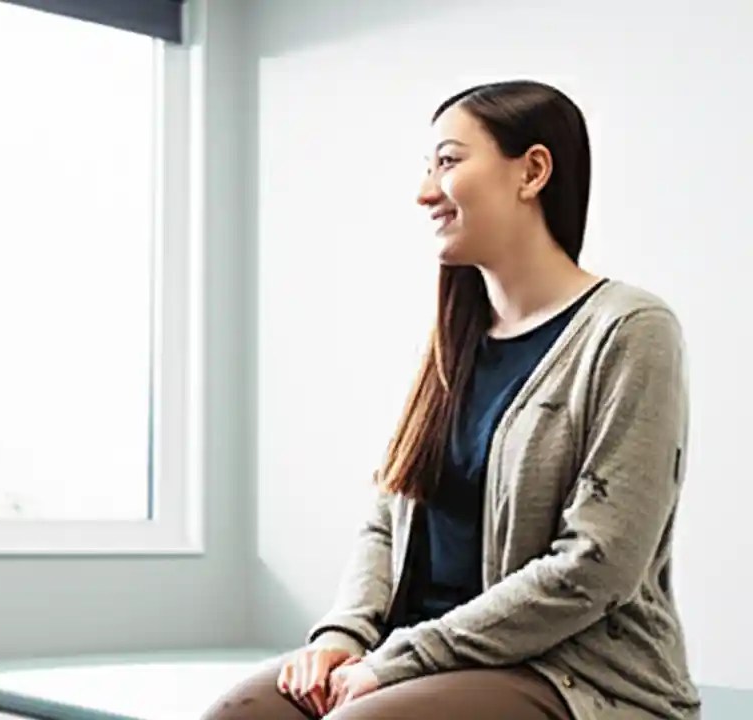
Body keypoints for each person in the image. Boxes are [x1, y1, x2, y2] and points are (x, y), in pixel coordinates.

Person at [203, 80, 700, 719]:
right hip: (412, 653)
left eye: (447, 161)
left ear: (533, 172)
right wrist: (341, 636)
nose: (424, 191)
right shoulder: (451, 342)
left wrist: (396, 662)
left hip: (570, 673)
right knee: (238, 715)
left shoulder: (631, 331)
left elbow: (596, 565)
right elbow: (388, 516)